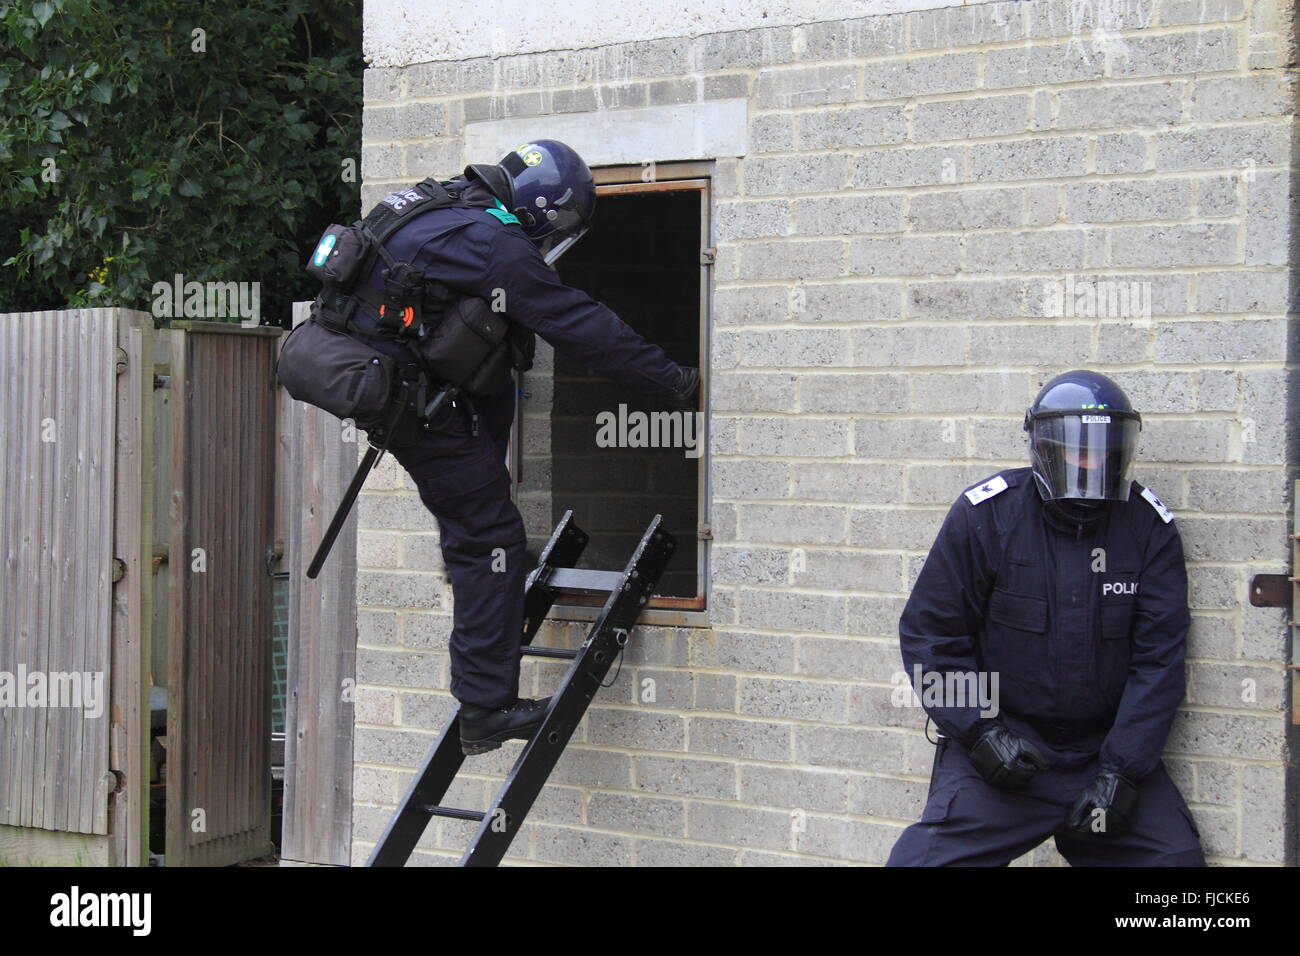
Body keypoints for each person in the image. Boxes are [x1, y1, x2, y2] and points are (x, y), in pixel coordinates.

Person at [342, 140, 697, 755]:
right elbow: (579, 323)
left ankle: (488, 575)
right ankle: (486, 709)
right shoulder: (495, 245)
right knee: (491, 540)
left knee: (477, 508)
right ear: (542, 208)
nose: (550, 237)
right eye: (557, 224)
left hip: (376, 376)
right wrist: (673, 381)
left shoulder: (445, 203)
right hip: (398, 391)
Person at [886, 370, 1205, 866]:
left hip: (1105, 754)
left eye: (1101, 447)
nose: (1088, 460)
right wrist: (981, 732)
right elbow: (933, 637)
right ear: (1043, 447)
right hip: (1007, 749)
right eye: (1075, 447)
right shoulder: (986, 516)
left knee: (1176, 869)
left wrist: (1122, 770)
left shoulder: (1147, 526)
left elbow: (1158, 663)